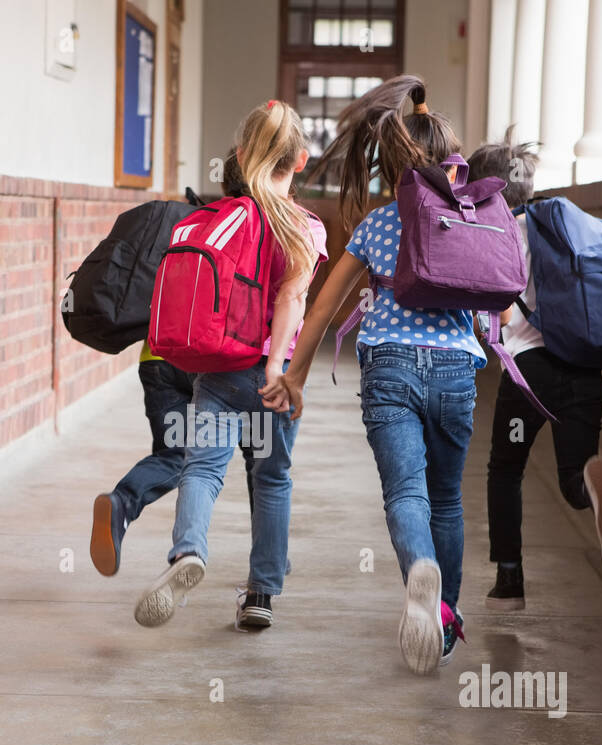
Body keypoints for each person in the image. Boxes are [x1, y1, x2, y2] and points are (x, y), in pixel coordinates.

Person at [261, 75, 480, 675]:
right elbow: (501, 302)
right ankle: (445, 616)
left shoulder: (378, 226)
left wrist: (294, 375)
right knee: (447, 499)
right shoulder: (471, 219)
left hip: (388, 367)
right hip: (458, 369)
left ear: (389, 167)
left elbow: (324, 305)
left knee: (405, 493)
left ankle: (418, 570)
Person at [134, 101, 327, 631]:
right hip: (272, 377)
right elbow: (291, 301)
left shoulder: (224, 218)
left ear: (240, 157)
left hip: (219, 368)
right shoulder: (304, 228)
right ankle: (261, 593)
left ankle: (188, 551)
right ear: (303, 160)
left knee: (202, 468)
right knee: (271, 479)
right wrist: (275, 370)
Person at [466, 133, 602, 611]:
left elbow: (492, 320)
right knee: (571, 477)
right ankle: (590, 491)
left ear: (484, 193)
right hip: (583, 369)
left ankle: (510, 578)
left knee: (505, 469)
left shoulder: (492, 241)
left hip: (529, 374)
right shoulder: (560, 230)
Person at [90, 153, 266, 578]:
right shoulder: (254, 226)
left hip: (159, 357)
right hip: (217, 363)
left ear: (222, 185)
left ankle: (122, 502)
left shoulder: (184, 221)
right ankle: (263, 574)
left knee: (176, 453)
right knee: (260, 460)